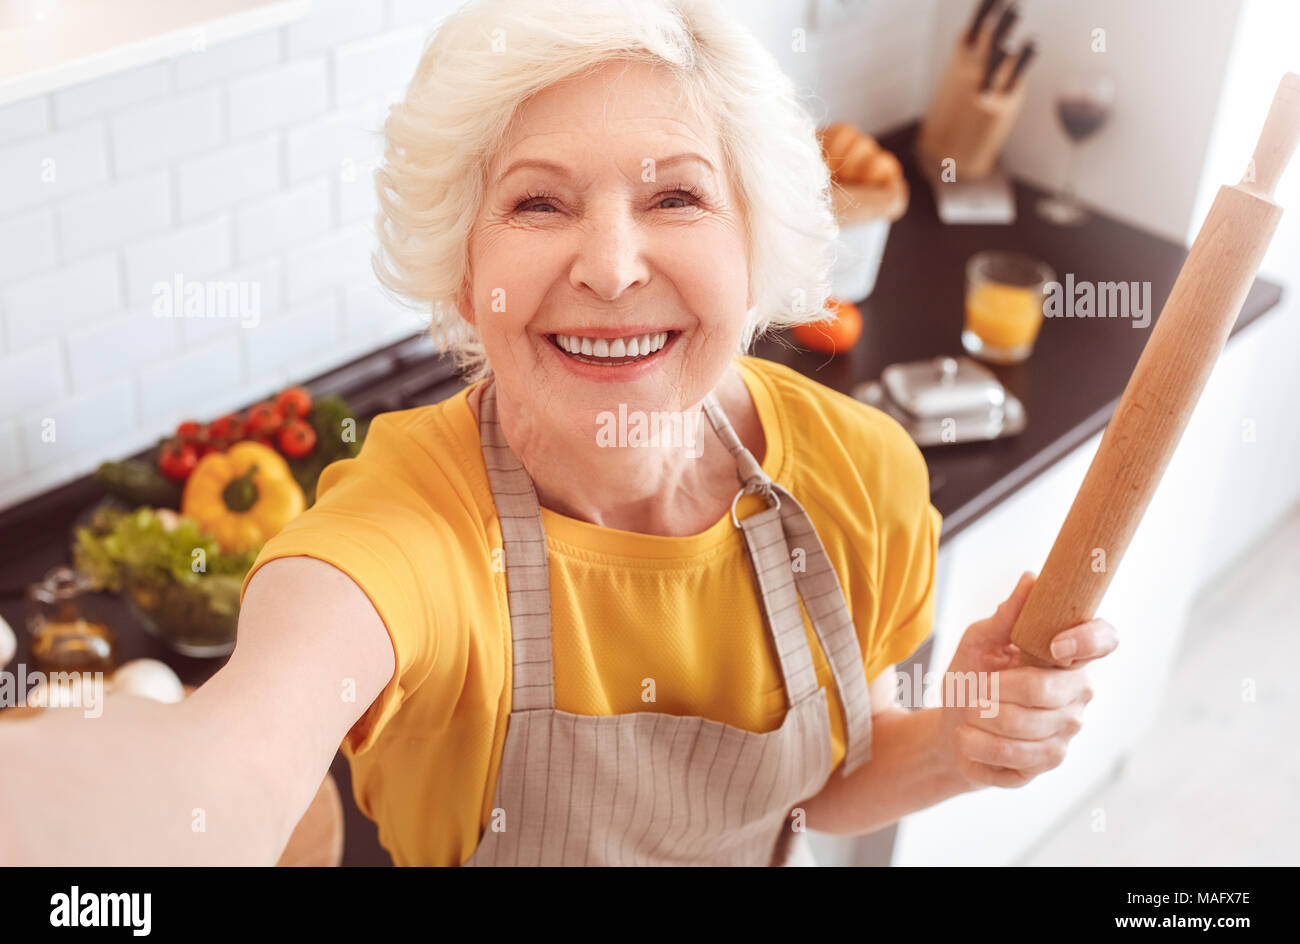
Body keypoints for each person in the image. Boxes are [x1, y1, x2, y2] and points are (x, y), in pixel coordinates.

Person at [0, 0, 1117, 866]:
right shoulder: (406, 524)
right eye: (538, 204)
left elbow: (827, 779)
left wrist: (964, 741)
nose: (612, 265)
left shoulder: (857, 474)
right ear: (464, 264)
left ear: (753, 239)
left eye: (675, 197)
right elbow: (224, 764)